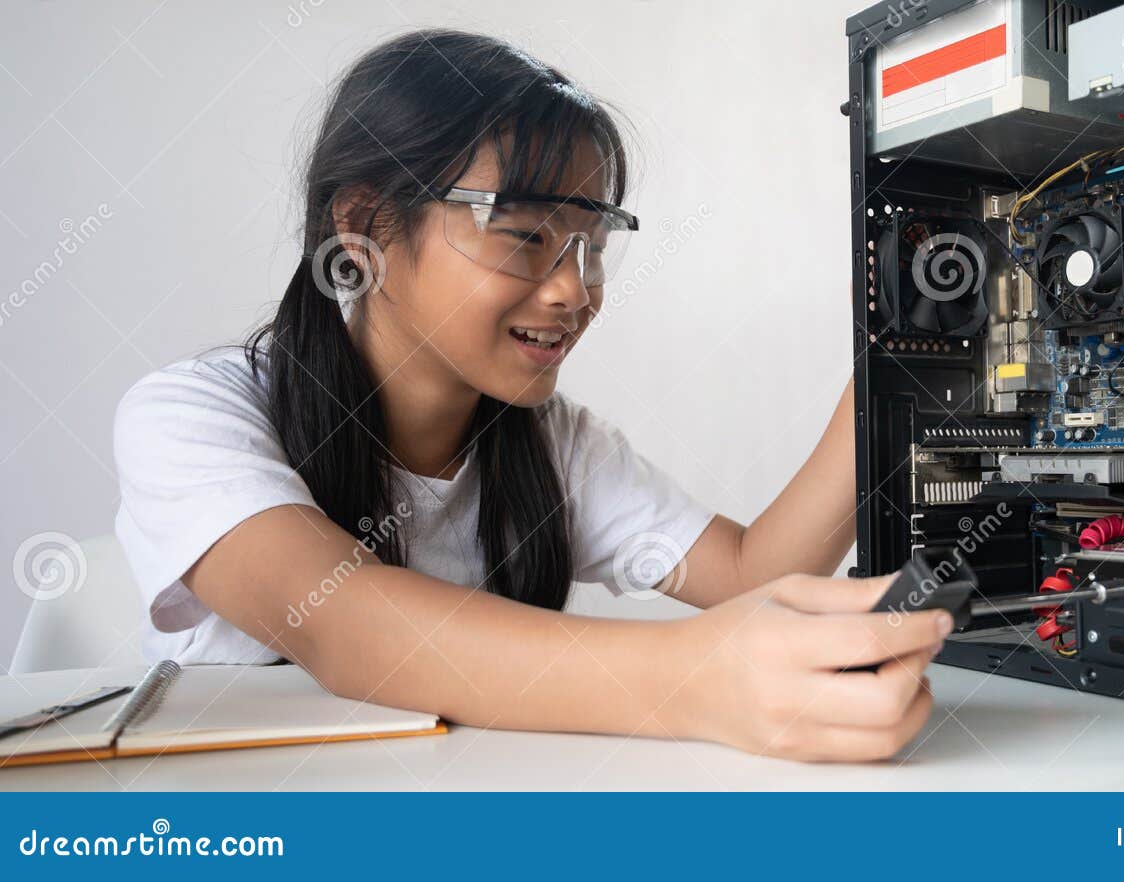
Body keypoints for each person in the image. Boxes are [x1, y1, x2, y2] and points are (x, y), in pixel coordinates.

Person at [112, 29, 948, 763]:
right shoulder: (188, 418)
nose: (573, 291)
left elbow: (751, 576)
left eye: (592, 247)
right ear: (363, 228)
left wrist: (890, 354)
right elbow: (345, 628)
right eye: (524, 237)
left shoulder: (556, 445)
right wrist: (696, 679)